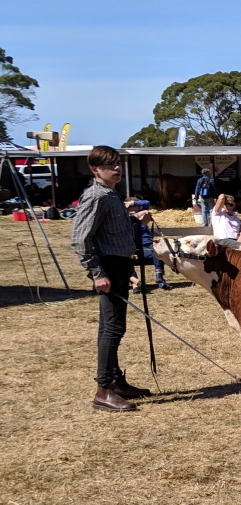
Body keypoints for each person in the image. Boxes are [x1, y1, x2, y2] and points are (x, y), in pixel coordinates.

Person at [70, 145, 154, 412]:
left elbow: (111, 231)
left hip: (118, 266)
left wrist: (135, 221)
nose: (117, 168)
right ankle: (103, 390)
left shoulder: (112, 195)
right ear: (96, 169)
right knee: (112, 329)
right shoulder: (95, 197)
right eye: (110, 165)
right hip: (107, 269)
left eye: (118, 163)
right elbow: (80, 239)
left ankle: (116, 382)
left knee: (114, 328)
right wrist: (98, 273)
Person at [126, 199, 171, 291]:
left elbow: (146, 203)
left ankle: (159, 277)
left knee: (157, 252)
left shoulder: (143, 215)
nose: (134, 208)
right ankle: (135, 283)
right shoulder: (125, 220)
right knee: (127, 259)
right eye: (131, 207)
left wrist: (131, 203)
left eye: (135, 206)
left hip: (147, 245)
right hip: (133, 247)